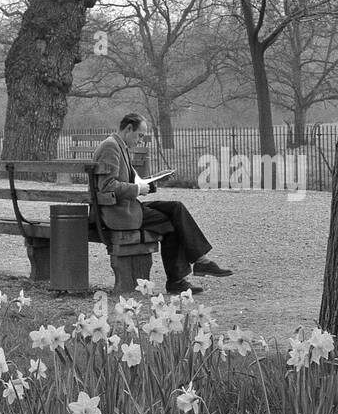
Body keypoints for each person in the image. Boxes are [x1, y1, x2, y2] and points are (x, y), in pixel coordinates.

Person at [90, 114, 233, 295]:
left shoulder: (119, 145)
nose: (140, 140)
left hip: (125, 206)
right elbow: (107, 186)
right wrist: (137, 189)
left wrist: (154, 180)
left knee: (176, 207)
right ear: (128, 129)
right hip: (116, 212)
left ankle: (197, 264)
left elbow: (134, 182)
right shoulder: (111, 147)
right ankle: (182, 276)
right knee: (171, 224)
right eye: (140, 135)